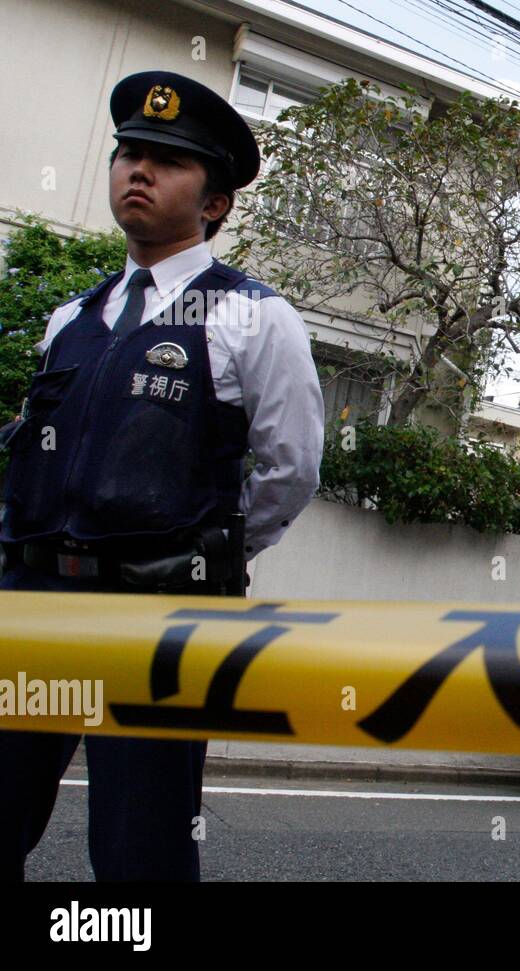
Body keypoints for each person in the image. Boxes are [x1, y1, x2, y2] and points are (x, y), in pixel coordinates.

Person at [0, 70, 324, 881]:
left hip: (159, 619)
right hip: (36, 607)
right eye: (129, 154)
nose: (137, 172)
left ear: (215, 203)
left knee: (139, 850)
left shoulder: (253, 316)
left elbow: (292, 470)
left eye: (167, 162)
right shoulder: (72, 319)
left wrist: (197, 552)